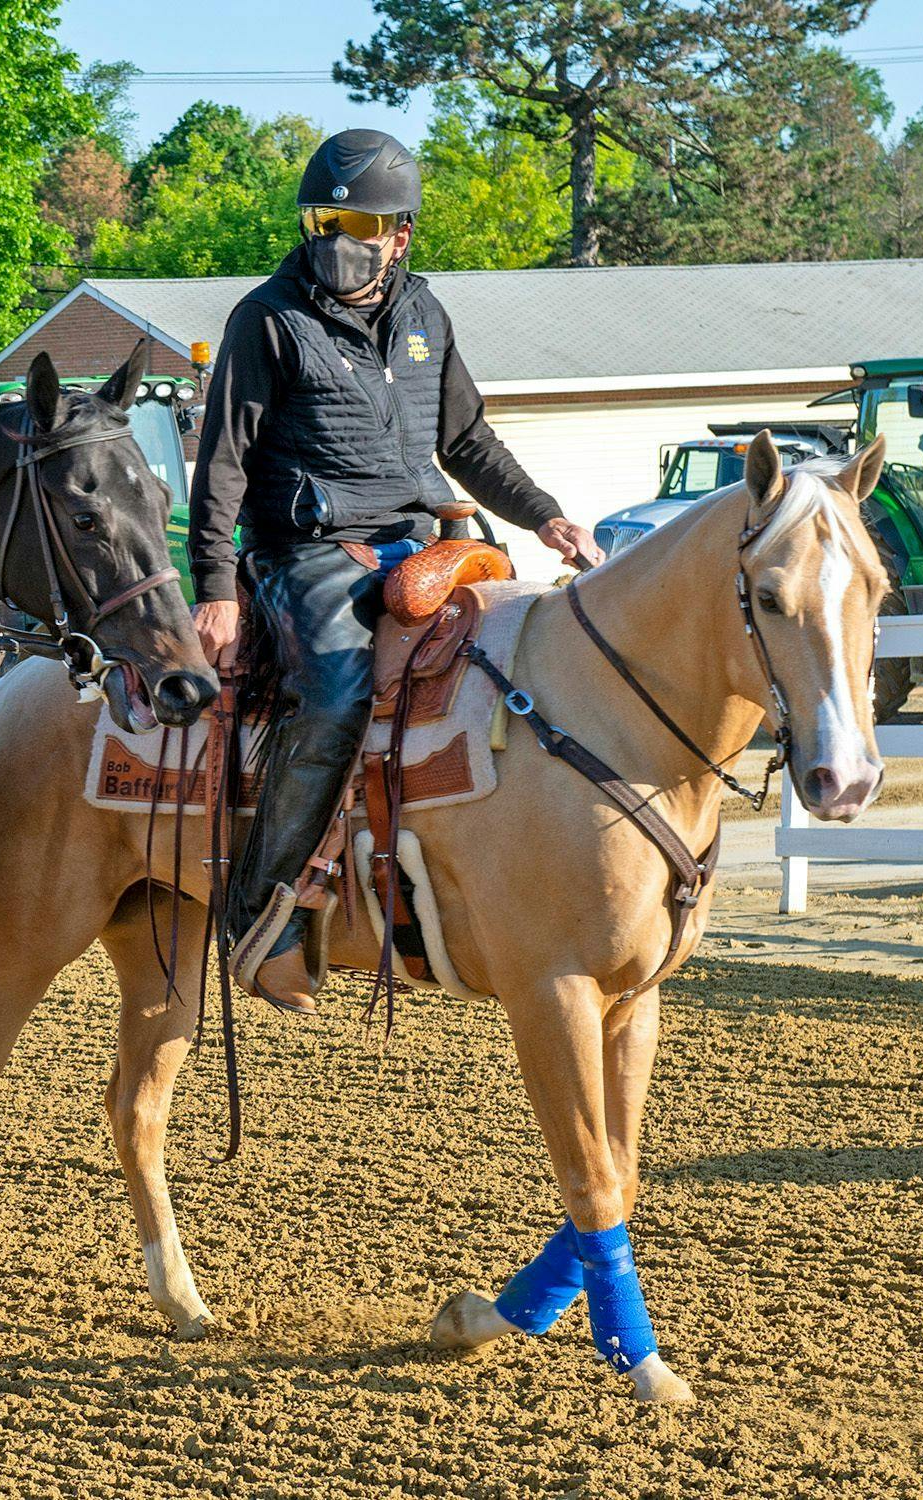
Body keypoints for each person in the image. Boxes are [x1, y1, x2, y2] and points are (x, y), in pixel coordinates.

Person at [186, 129, 604, 1013]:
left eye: (356, 224)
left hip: (420, 538)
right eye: (321, 220)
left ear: (400, 234)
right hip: (304, 548)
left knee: (523, 647)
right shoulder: (267, 318)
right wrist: (216, 589)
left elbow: (466, 442)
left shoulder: (425, 314)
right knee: (336, 693)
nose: (334, 238)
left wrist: (545, 516)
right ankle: (264, 917)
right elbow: (222, 462)